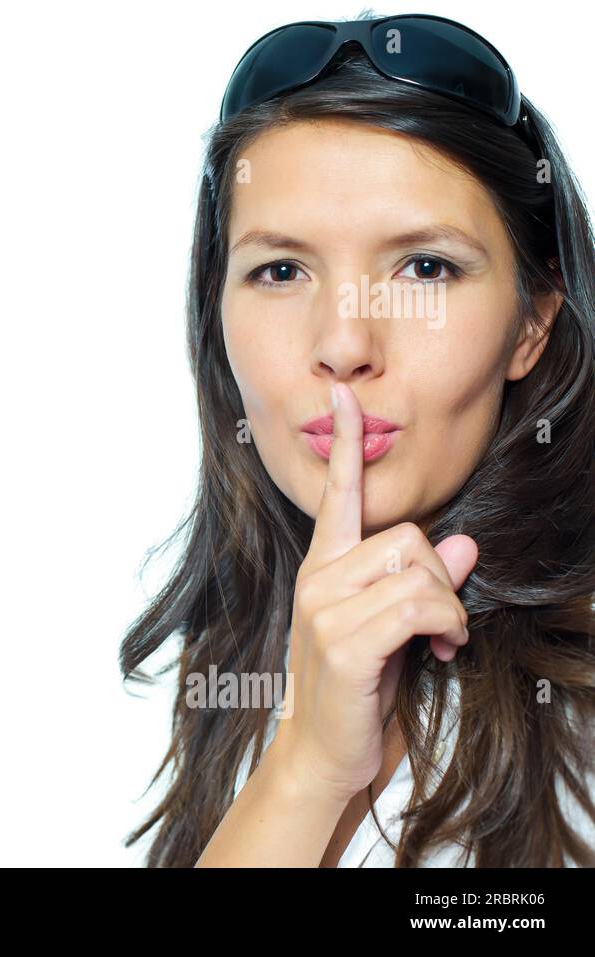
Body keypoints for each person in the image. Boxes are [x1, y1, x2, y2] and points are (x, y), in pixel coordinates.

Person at [120, 13, 595, 867]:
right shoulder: (231, 666)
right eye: (281, 270)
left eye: (425, 267)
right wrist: (302, 767)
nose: (344, 342)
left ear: (532, 322)